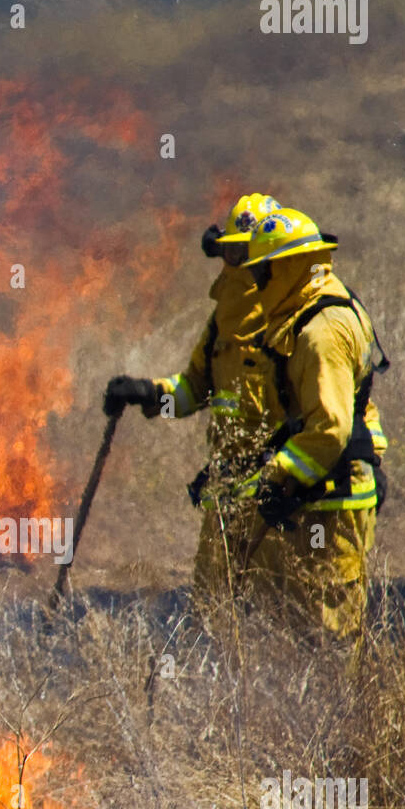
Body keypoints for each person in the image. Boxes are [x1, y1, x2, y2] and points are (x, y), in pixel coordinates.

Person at [103, 193, 284, 620]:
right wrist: (148, 392)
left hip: (282, 490)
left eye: (246, 250)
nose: (239, 260)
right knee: (213, 607)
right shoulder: (224, 319)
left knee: (275, 607)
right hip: (227, 487)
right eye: (232, 250)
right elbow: (193, 390)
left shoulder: (290, 316)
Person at [236, 207, 389, 639]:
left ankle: (338, 708)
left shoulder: (319, 333)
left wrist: (276, 476)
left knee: (327, 633)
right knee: (293, 622)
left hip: (331, 501)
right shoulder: (316, 306)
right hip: (320, 493)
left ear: (285, 267)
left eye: (262, 273)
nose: (257, 284)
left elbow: (330, 428)